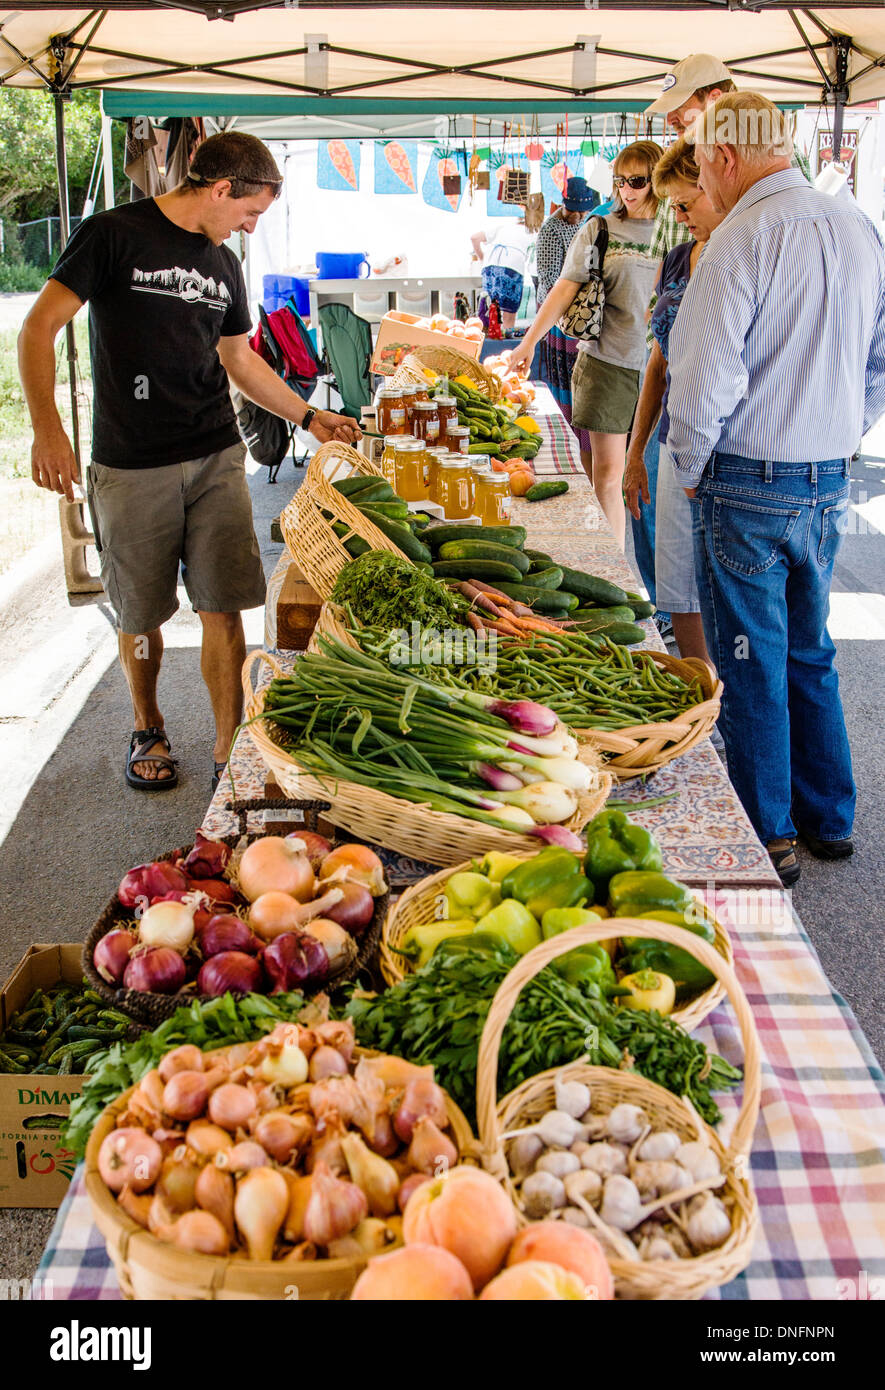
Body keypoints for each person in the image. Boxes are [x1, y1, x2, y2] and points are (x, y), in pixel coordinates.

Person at [18, 131, 362, 794]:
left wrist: (308, 416)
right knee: (141, 613)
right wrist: (48, 430)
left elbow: (239, 360)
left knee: (222, 603)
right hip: (131, 462)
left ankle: (227, 744)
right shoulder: (112, 234)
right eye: (249, 211)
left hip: (214, 454)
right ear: (220, 187)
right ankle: (147, 724)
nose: (250, 225)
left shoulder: (224, 263)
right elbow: (39, 327)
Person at [666, 92, 885, 886]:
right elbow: (879, 356)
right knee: (808, 648)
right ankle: (829, 818)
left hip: (747, 478)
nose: (701, 184)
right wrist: (840, 430)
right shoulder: (855, 224)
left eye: (699, 167)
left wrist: (688, 468)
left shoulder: (740, 239)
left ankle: (770, 831)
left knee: (748, 654)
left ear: (723, 157)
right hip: (826, 477)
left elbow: (701, 381)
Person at [509, 142, 662, 546]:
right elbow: (563, 288)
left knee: (654, 485)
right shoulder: (600, 227)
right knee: (609, 476)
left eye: (638, 181)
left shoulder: (677, 227)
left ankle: (657, 590)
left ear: (656, 181)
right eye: (620, 181)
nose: (627, 190)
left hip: (661, 370)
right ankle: (613, 571)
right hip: (607, 364)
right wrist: (527, 345)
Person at [623, 138, 724, 662]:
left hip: (726, 448)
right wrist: (636, 452)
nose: (679, 216)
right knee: (678, 580)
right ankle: (699, 690)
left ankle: (726, 709)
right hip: (675, 435)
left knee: (723, 590)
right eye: (674, 206)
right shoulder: (680, 258)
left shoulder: (740, 254)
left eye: (687, 203)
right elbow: (657, 363)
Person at [534, 176, 597, 474]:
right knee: (567, 388)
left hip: (587, 318)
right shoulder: (551, 230)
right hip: (561, 320)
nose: (578, 214)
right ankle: (571, 452)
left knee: (584, 387)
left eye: (583, 210)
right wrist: (571, 311)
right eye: (573, 209)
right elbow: (549, 282)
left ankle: (589, 451)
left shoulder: (593, 223)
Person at [471, 215, 533, 333]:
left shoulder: (503, 227)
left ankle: (486, 344)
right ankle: (507, 345)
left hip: (489, 267)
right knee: (509, 315)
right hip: (512, 267)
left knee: (489, 311)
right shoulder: (531, 232)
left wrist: (482, 258)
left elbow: (474, 238)